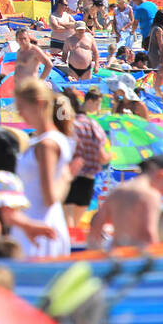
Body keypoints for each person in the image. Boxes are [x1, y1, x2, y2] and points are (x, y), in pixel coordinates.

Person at [12, 79, 77, 258]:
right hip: (37, 222)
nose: (19, 113)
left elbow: (50, 197)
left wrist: (66, 177)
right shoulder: (45, 141)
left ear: (39, 104)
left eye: (21, 107)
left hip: (39, 225)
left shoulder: (47, 144)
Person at [64, 90, 111, 228]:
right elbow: (102, 158)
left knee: (67, 222)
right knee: (75, 223)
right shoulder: (93, 125)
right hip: (87, 181)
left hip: (69, 178)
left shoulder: (65, 126)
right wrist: (112, 154)